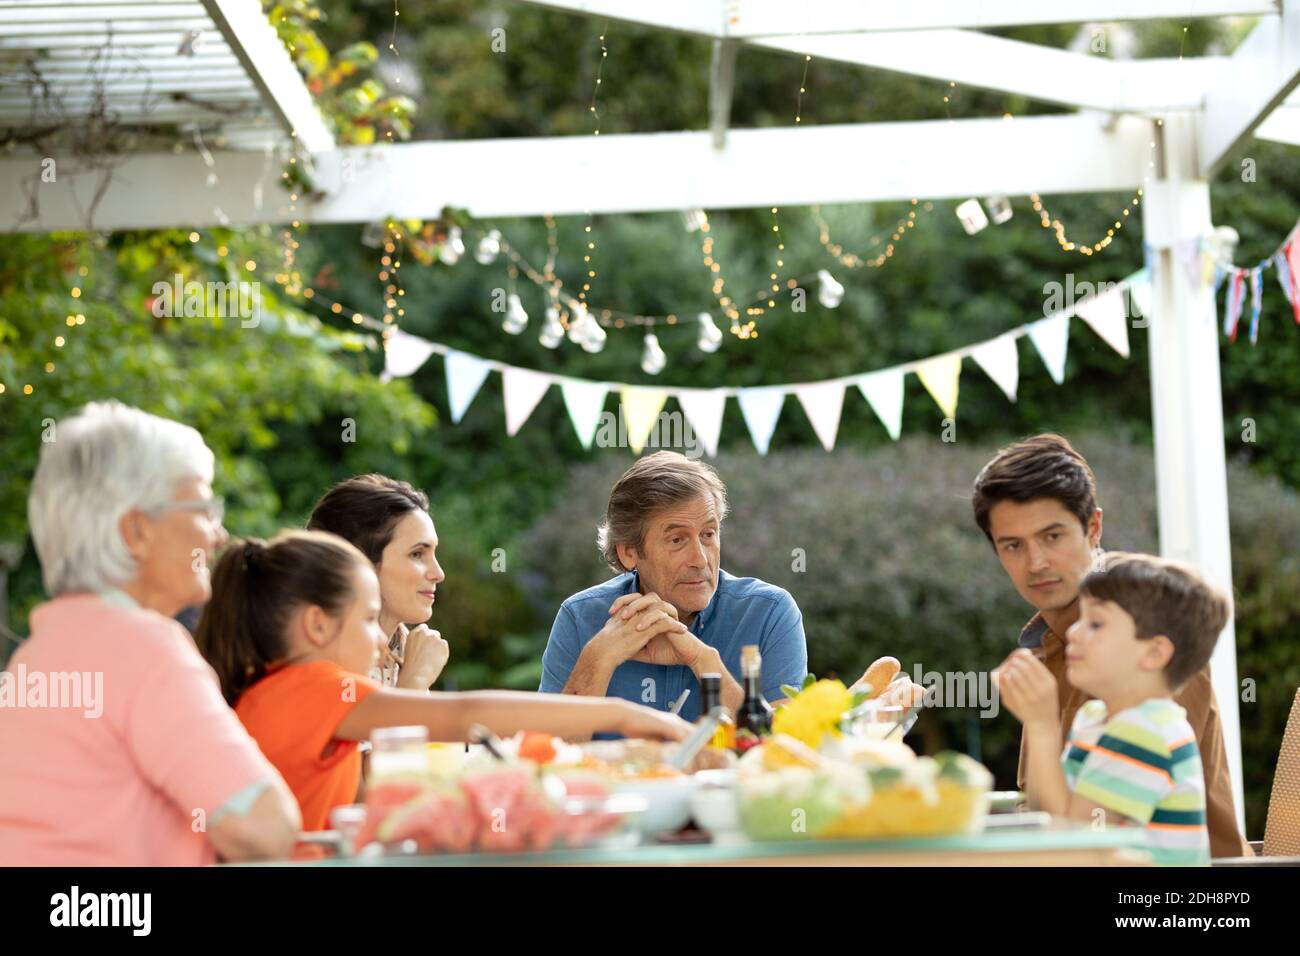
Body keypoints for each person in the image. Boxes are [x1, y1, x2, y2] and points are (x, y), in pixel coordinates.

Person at [196, 530, 690, 831]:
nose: (376, 640)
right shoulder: (314, 687)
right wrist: (626, 716)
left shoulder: (273, 688)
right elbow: (464, 715)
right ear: (317, 625)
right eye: (368, 620)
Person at [0, 401, 300, 865]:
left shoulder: (37, 653)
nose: (218, 534)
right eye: (203, 508)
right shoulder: (143, 648)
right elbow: (266, 829)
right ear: (136, 531)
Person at [971, 433, 1249, 857]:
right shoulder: (1050, 649)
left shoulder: (1146, 642)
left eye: (1052, 536)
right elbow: (1049, 814)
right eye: (1013, 545)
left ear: (1093, 527)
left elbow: (1085, 840)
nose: (1036, 563)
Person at [998, 552, 1229, 866]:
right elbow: (1048, 814)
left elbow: (1078, 839)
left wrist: (1042, 726)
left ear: (1154, 652)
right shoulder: (1094, 719)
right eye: (1080, 619)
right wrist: (1039, 723)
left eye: (1095, 623)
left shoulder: (1146, 731)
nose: (1074, 633)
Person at [540, 451, 807, 721]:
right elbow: (547, 752)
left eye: (708, 534)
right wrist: (597, 660)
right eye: (677, 540)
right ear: (628, 552)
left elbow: (787, 750)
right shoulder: (580, 618)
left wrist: (703, 661)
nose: (700, 559)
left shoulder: (770, 613)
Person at [308, 474, 448, 690]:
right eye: (417, 554)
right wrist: (415, 680)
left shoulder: (405, 653)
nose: (438, 573)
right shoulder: (320, 667)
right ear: (359, 562)